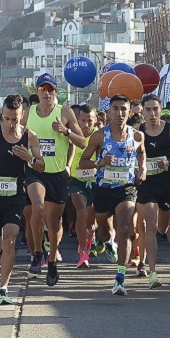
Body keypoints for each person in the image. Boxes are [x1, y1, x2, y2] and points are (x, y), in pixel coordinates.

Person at [0, 95, 45, 304]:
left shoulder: (30, 136)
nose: (10, 124)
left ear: (22, 115)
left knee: (10, 240)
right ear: (1, 116)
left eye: (14, 119)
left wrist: (29, 158)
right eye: (6, 118)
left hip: (15, 197)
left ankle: (2, 287)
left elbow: (41, 166)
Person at [78, 94, 146, 296]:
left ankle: (120, 277)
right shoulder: (99, 135)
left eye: (124, 109)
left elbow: (141, 152)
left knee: (125, 228)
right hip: (103, 189)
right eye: (115, 109)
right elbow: (83, 162)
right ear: (109, 112)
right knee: (105, 232)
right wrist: (100, 163)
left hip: (126, 188)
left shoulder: (136, 135)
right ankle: (108, 242)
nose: (120, 113)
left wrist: (142, 169)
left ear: (129, 111)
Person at [24, 73, 86, 286]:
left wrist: (65, 131)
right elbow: (16, 135)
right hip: (35, 170)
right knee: (37, 206)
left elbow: (82, 143)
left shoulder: (64, 112)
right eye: (43, 90)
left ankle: (52, 261)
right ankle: (38, 253)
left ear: (56, 93)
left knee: (53, 223)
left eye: (50, 90)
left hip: (58, 174)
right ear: (37, 92)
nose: (47, 94)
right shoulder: (29, 112)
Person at [135, 93, 170, 286]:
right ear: (142, 112)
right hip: (146, 185)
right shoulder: (138, 131)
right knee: (150, 226)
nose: (152, 113)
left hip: (167, 185)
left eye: (155, 109)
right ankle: (153, 273)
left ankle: (150, 258)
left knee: (161, 228)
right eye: (148, 109)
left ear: (160, 110)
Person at [68, 103, 98, 268]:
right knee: (80, 212)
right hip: (76, 180)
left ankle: (90, 237)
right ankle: (83, 252)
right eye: (83, 120)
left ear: (96, 120)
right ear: (77, 120)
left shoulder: (99, 136)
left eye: (90, 121)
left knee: (91, 222)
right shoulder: (72, 135)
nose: (86, 125)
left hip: (95, 182)